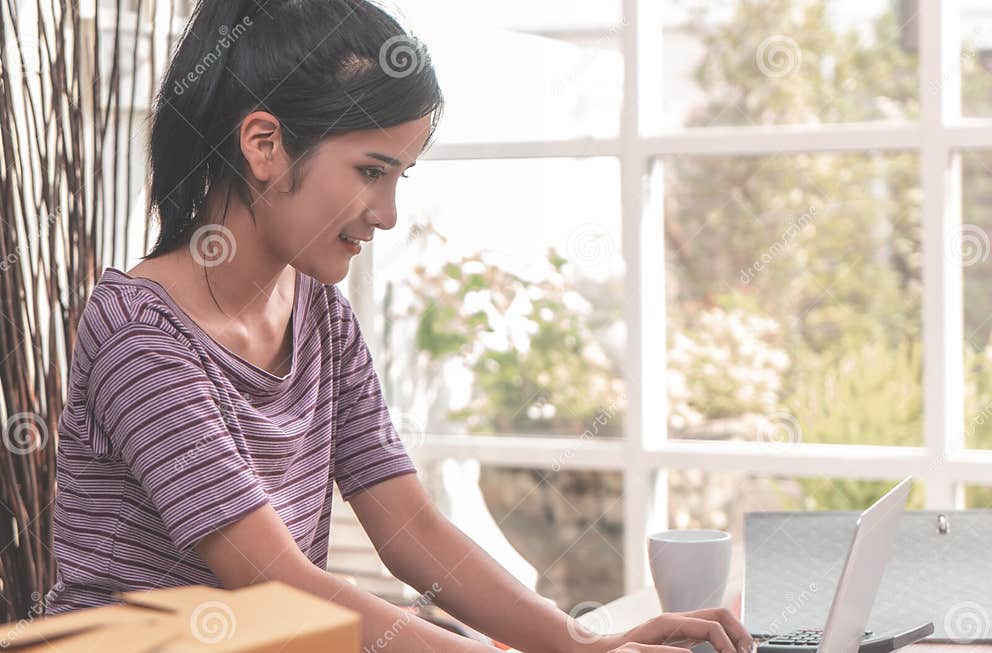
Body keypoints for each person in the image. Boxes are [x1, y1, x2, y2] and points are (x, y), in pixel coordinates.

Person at [45, 2, 756, 652]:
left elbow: (412, 530)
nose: (386, 214)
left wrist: (581, 644)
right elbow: (273, 581)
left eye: (399, 178)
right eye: (370, 171)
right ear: (264, 145)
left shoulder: (321, 316)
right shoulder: (138, 335)